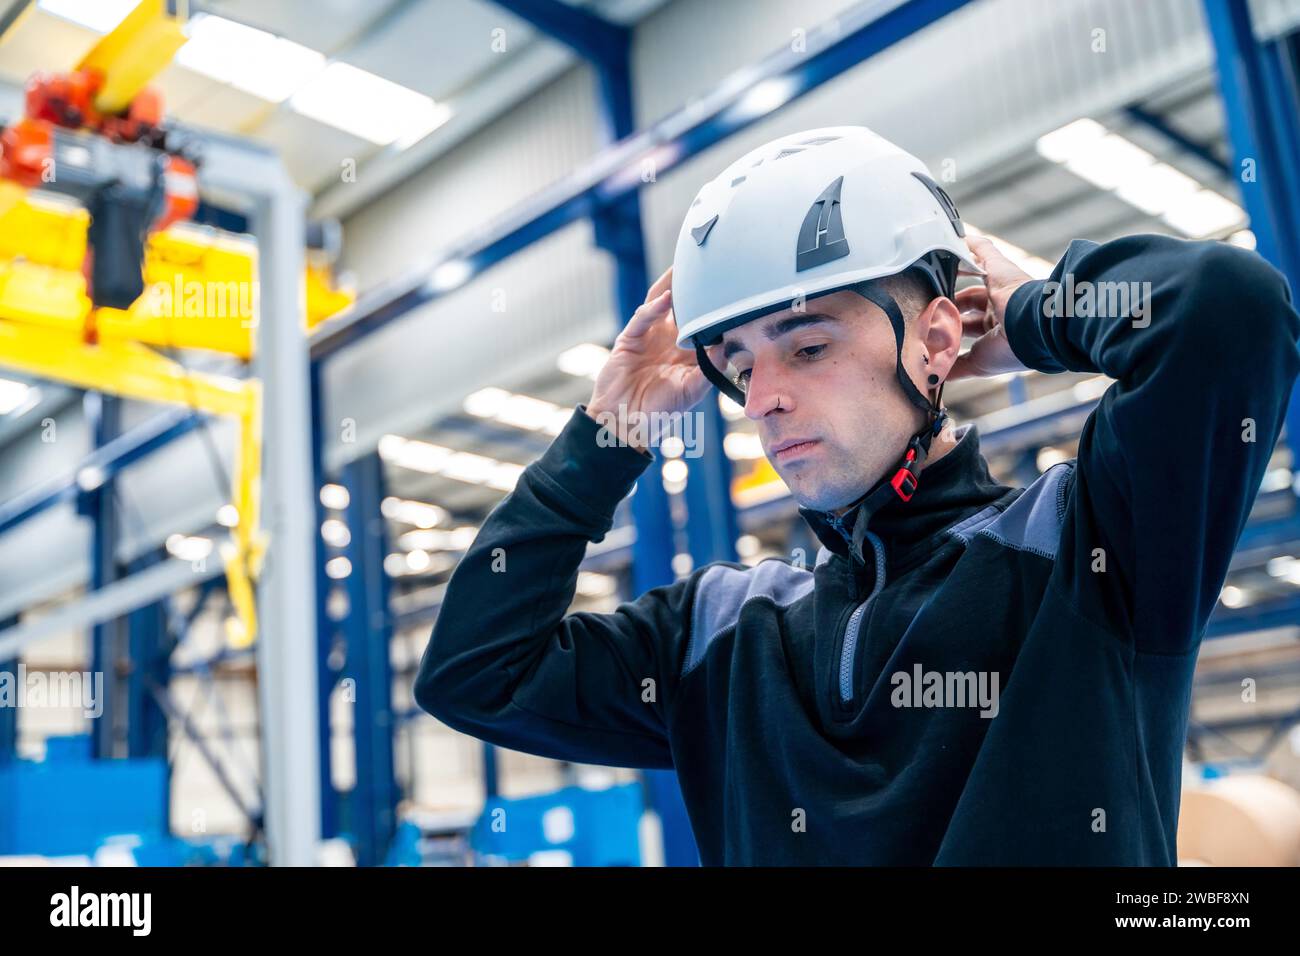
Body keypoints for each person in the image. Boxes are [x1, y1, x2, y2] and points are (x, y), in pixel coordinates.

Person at [414, 126, 1300, 865]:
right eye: (738, 366)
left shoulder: (1090, 548)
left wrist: (1029, 308)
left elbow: (1226, 311)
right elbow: (475, 674)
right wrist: (606, 438)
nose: (762, 399)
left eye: (806, 347)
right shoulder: (721, 631)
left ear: (936, 340)